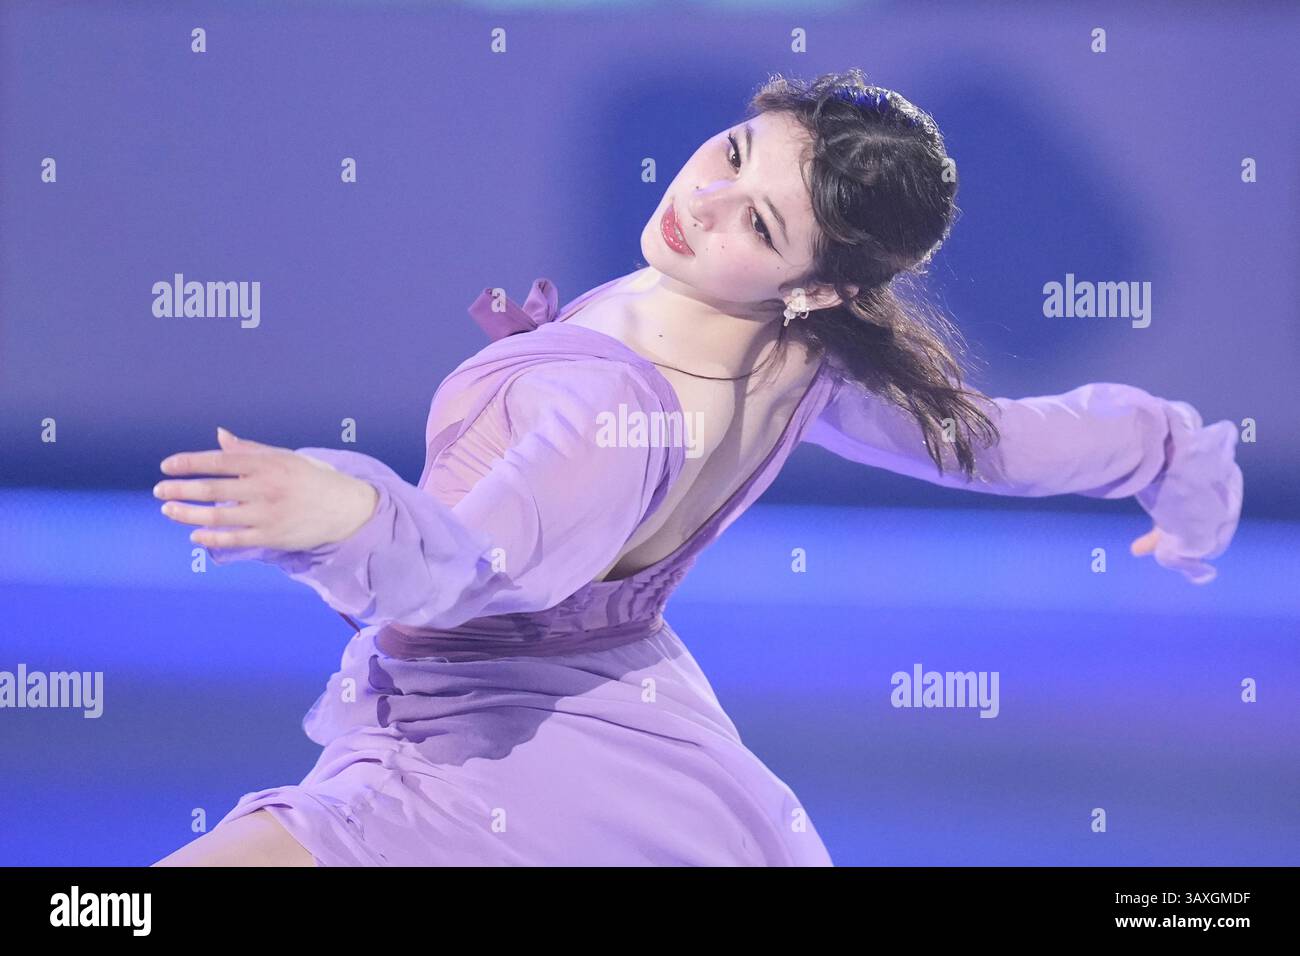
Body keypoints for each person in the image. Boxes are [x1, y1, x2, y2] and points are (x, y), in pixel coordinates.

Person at [150, 70, 1242, 866]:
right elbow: (1006, 443)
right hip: (621, 727)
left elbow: (482, 564)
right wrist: (1176, 457)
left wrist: (346, 511)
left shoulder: (620, 399)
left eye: (758, 223)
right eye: (730, 153)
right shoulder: (798, 351)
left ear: (818, 284)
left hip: (482, 758)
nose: (703, 201)